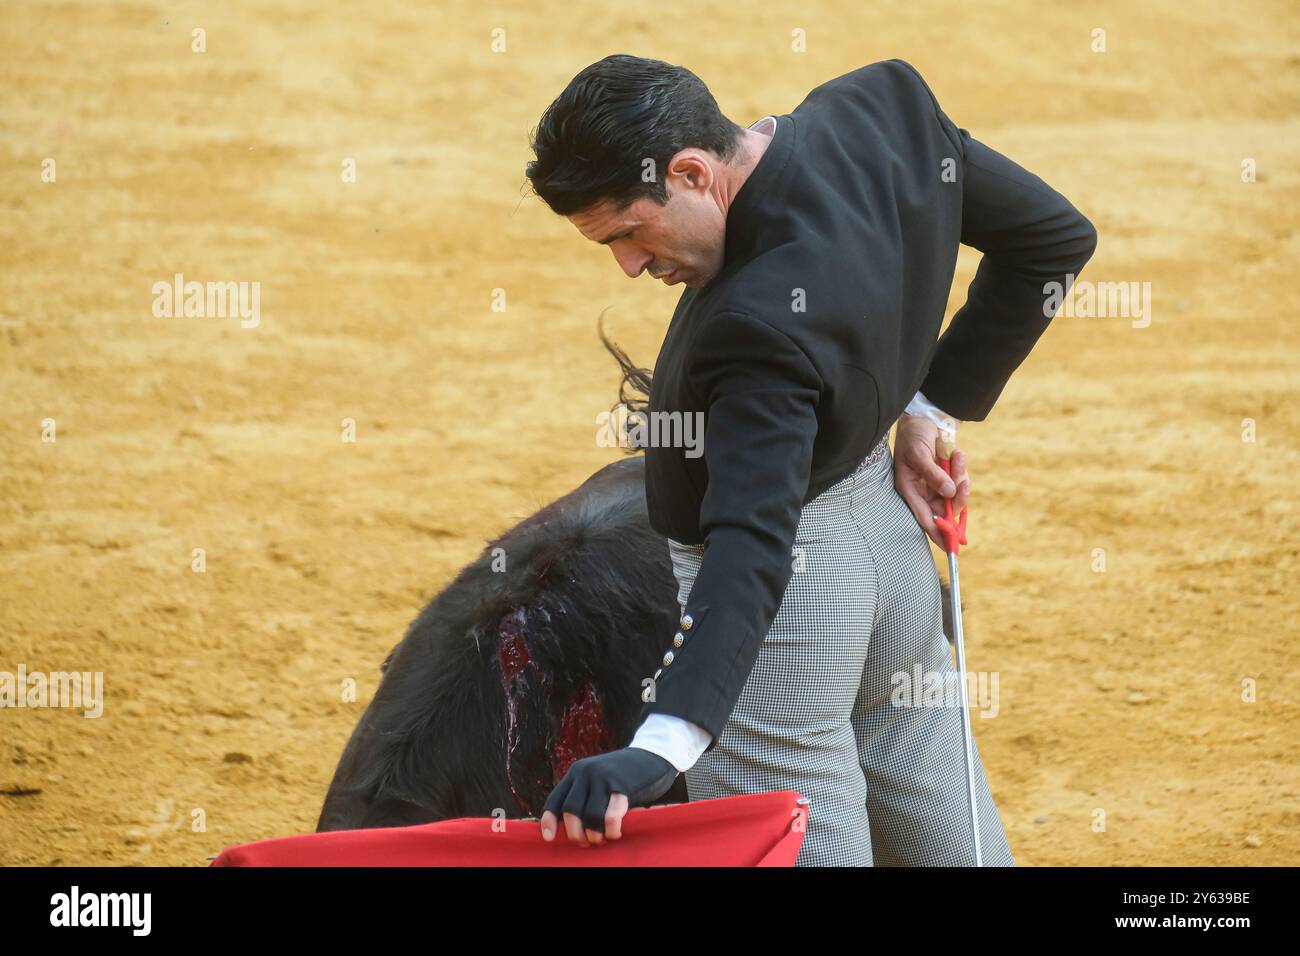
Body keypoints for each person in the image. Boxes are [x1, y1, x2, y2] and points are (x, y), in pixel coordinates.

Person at [523, 55, 1096, 864]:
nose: (628, 264)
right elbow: (1053, 240)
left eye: (626, 232)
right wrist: (929, 409)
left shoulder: (753, 329)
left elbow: (755, 545)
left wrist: (665, 744)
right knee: (948, 836)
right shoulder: (881, 111)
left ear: (691, 172)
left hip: (798, 618)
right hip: (894, 556)